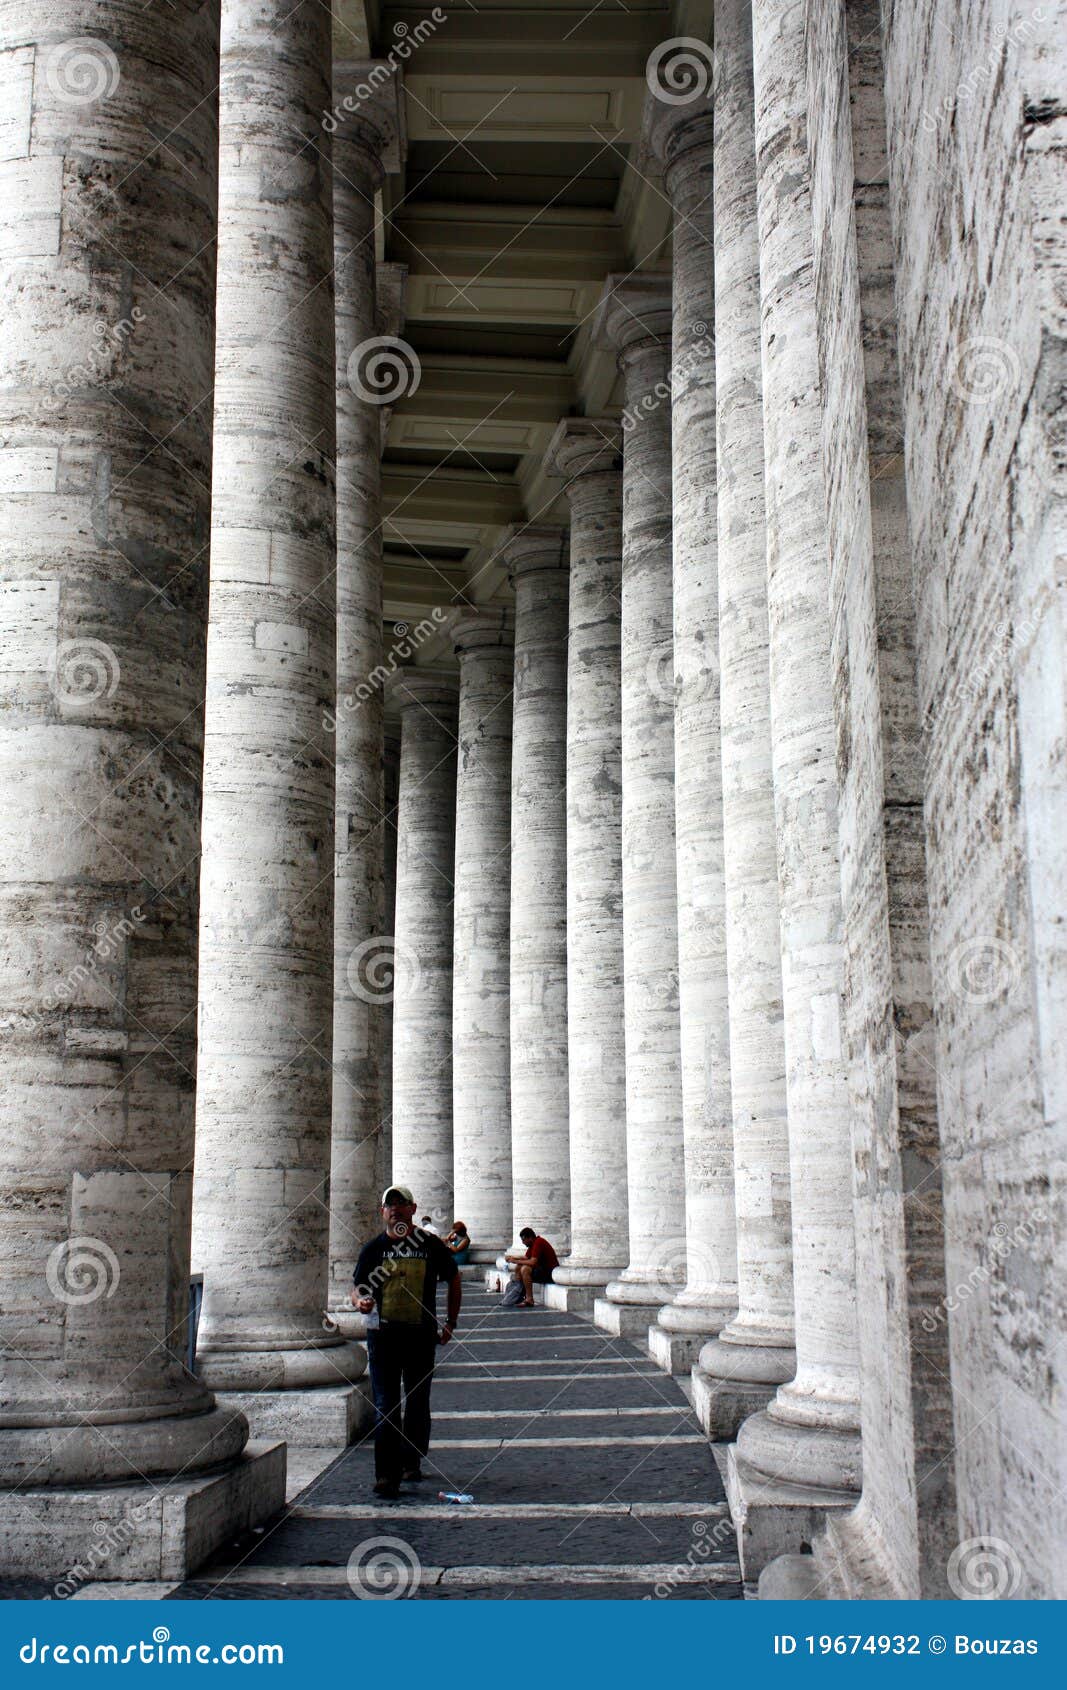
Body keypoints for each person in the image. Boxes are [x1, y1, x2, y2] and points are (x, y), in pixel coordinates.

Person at [352, 1184, 462, 1500]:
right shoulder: (373, 1249)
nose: (396, 1209)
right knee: (386, 1405)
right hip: (382, 1339)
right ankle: (387, 1475)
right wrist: (360, 1301)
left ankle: (411, 1459)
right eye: (391, 1205)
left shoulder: (428, 1244)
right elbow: (357, 1287)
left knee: (416, 1403)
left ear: (413, 1210)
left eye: (402, 1204)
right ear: (383, 1211)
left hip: (420, 1337)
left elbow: (453, 1277)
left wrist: (451, 1321)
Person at [504, 1226, 559, 1307]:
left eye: (523, 1240)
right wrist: (512, 1257)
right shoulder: (533, 1244)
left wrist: (514, 1261)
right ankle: (518, 1294)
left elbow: (533, 1262)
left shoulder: (538, 1242)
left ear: (530, 1238)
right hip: (543, 1271)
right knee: (519, 1266)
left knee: (525, 1269)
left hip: (549, 1273)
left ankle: (529, 1299)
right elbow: (526, 1257)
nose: (523, 1242)